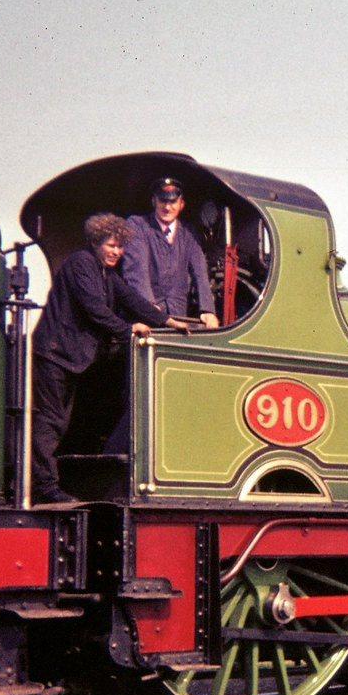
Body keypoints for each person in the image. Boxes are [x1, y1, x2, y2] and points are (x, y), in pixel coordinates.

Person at [31, 213, 190, 505]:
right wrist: (128, 329)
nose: (117, 252)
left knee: (59, 422)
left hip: (69, 357)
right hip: (55, 353)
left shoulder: (106, 273)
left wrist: (167, 321)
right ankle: (42, 487)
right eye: (111, 245)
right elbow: (94, 308)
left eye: (120, 246)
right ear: (96, 242)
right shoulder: (81, 264)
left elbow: (131, 298)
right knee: (50, 422)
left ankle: (47, 483)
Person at [121, 177, 220, 328]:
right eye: (162, 201)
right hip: (144, 317)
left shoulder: (189, 233)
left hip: (177, 317)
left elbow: (200, 272)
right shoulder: (137, 225)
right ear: (154, 201)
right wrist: (148, 304)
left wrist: (208, 310)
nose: (167, 207)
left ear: (181, 204)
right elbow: (136, 269)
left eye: (173, 202)